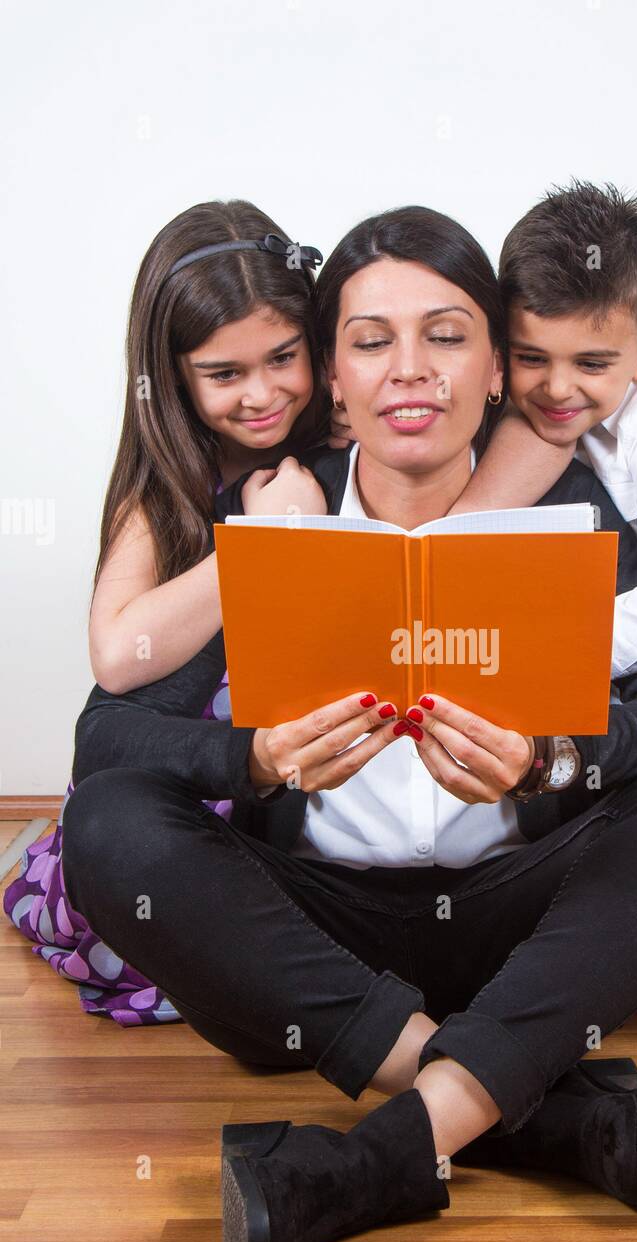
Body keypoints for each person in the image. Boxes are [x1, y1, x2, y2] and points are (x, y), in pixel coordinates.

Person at [60, 205, 637, 1242]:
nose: (410, 371)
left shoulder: (570, 505)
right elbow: (107, 740)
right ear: (332, 381)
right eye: (370, 339)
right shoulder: (267, 515)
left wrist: (553, 757)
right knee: (106, 824)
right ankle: (508, 1105)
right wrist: (253, 758)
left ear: (495, 369)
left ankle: (370, 1160)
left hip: (517, 920)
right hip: (322, 942)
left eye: (445, 334)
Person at [322, 182, 637, 1078]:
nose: (557, 389)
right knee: (591, 788)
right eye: (531, 358)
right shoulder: (522, 420)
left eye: (593, 363)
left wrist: (541, 641)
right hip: (615, 662)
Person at [3, 199, 333, 1024]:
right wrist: (262, 540)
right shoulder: (164, 493)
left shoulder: (345, 437)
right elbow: (117, 656)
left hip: (314, 770)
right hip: (197, 769)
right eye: (224, 374)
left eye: (283, 357)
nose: (262, 394)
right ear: (174, 376)